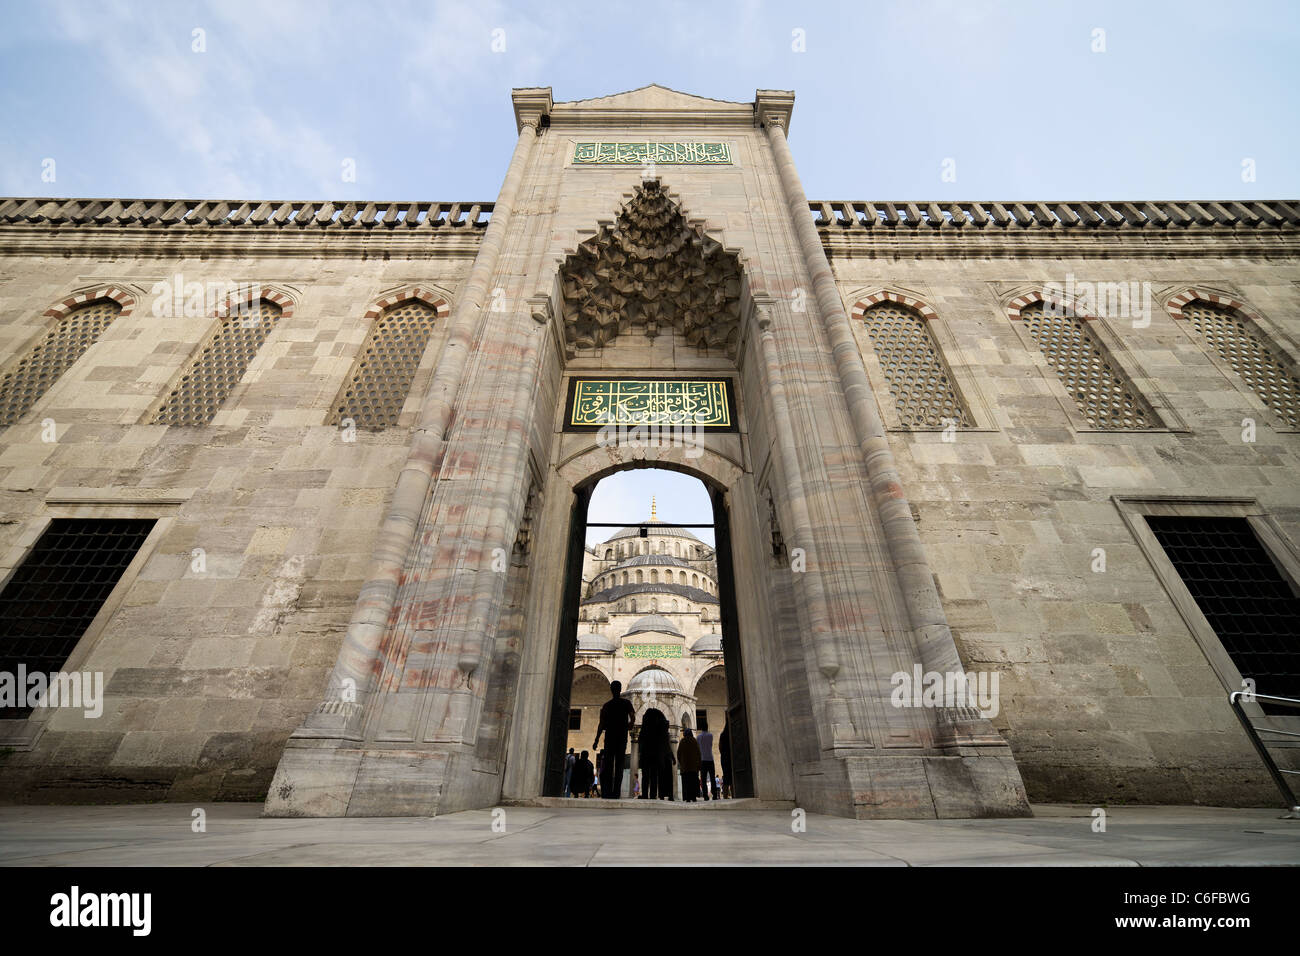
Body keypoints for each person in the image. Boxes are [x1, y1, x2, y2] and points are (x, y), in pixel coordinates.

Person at [593, 680, 636, 798]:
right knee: (619, 765)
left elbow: (601, 724)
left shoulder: (607, 705)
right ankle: (616, 792)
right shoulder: (626, 703)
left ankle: (607, 792)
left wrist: (596, 740)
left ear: (611, 690)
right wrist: (629, 726)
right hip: (621, 737)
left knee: (608, 765)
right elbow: (632, 716)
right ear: (620, 689)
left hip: (610, 738)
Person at [638, 708, 672, 800]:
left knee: (646, 775)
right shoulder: (659, 728)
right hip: (655, 754)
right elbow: (664, 742)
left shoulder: (645, 728)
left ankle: (645, 794)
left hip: (646, 753)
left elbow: (640, 739)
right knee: (653, 774)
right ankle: (653, 795)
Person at [677, 727, 701, 802]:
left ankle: (687, 798)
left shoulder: (682, 741)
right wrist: (698, 764)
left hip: (685, 767)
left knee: (686, 783)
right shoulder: (694, 741)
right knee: (693, 783)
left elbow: (678, 753)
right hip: (693, 767)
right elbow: (698, 753)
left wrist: (681, 763)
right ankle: (693, 797)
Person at [696, 726, 716, 801]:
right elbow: (710, 745)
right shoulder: (710, 735)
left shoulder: (698, 737)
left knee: (703, 779)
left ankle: (705, 796)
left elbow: (698, 747)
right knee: (712, 778)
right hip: (710, 758)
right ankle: (714, 795)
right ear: (707, 727)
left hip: (702, 760)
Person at [719, 723, 732, 799]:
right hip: (730, 757)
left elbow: (720, 747)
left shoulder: (722, 735)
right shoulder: (731, 733)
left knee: (726, 777)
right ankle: (735, 794)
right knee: (732, 777)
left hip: (724, 757)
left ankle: (725, 796)